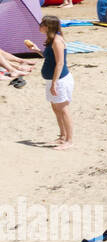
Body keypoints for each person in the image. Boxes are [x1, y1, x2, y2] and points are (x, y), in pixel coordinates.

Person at [34, 16, 72, 148]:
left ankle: (69, 140)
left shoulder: (57, 40)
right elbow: (50, 57)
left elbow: (60, 63)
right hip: (52, 79)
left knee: (63, 109)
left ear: (48, 26)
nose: (39, 25)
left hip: (60, 80)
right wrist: (37, 50)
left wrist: (55, 83)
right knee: (56, 109)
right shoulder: (50, 40)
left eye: (42, 23)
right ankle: (62, 136)